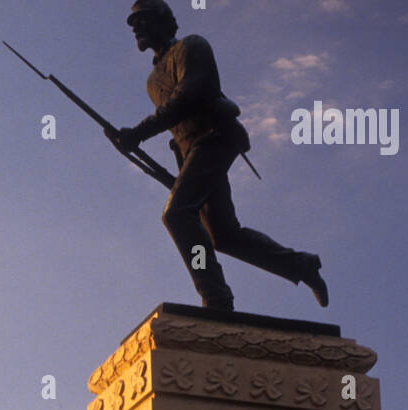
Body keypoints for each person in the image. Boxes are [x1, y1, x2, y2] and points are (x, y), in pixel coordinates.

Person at [111, 0, 328, 311]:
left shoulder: (191, 47)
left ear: (164, 22)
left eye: (143, 22)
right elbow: (178, 128)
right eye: (135, 26)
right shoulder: (152, 81)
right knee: (223, 234)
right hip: (191, 152)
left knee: (177, 214)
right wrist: (129, 140)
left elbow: (189, 97)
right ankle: (301, 265)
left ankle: (216, 298)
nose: (138, 30)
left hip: (215, 139)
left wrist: (139, 133)